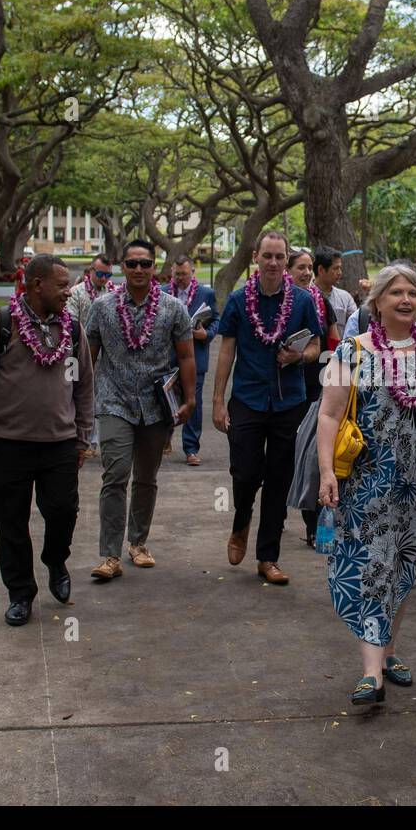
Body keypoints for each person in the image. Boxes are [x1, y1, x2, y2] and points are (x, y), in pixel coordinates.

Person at [317, 264, 416, 705]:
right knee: (369, 567)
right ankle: (371, 674)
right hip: (365, 484)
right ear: (377, 302)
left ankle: (388, 652)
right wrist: (327, 472)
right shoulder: (351, 352)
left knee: (402, 567)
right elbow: (328, 416)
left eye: (412, 292)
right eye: (396, 292)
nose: (405, 299)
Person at [0, 255, 93, 626]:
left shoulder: (74, 330)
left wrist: (83, 435)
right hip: (10, 443)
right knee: (11, 522)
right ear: (37, 285)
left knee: (63, 511)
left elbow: (83, 387)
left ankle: (55, 560)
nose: (69, 292)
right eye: (62, 285)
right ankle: (20, 593)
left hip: (61, 444)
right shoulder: (1, 324)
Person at [213, 230, 322, 585]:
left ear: (286, 260)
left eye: (279, 257)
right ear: (255, 258)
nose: (273, 263)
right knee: (244, 473)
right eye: (267, 256)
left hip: (289, 402)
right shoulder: (238, 300)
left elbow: (316, 347)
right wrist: (218, 400)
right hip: (247, 398)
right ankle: (241, 520)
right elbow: (227, 350)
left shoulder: (303, 300)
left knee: (278, 479)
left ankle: (268, 556)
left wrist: (298, 356)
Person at [85, 240, 196, 582]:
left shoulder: (173, 308)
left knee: (146, 478)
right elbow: (88, 355)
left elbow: (187, 356)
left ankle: (138, 543)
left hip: (155, 406)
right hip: (113, 401)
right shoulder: (102, 307)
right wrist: (77, 400)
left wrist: (190, 399)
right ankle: (109, 555)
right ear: (122, 267)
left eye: (144, 263)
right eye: (131, 264)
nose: (138, 270)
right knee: (115, 475)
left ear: (154, 268)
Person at [287, 248, 342, 546]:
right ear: (288, 270)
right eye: (301, 268)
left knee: (316, 458)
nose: (307, 273)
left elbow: (333, 339)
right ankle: (280, 512)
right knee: (292, 456)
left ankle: (316, 527)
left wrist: (334, 368)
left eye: (310, 268)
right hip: (291, 390)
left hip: (321, 389)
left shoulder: (321, 302)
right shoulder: (278, 305)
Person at [166, 254, 219, 466]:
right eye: (177, 274)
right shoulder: (162, 293)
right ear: (171, 273)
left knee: (193, 403)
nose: (180, 278)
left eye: (184, 274)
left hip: (196, 357)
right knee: (165, 400)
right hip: (167, 358)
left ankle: (191, 448)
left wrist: (206, 334)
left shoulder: (206, 293)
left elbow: (216, 320)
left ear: (192, 273)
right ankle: (164, 437)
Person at [67, 255, 116, 459]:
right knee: (76, 395)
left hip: (105, 356)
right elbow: (71, 324)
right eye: (100, 274)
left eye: (108, 274)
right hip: (78, 353)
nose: (104, 278)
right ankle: (78, 438)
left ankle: (94, 441)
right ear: (90, 271)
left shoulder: (114, 293)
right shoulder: (76, 294)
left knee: (99, 398)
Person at [311, 246, 359, 333]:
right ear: (321, 270)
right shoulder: (306, 297)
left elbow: (356, 324)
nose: (340, 272)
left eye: (340, 268)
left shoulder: (345, 297)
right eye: (335, 268)